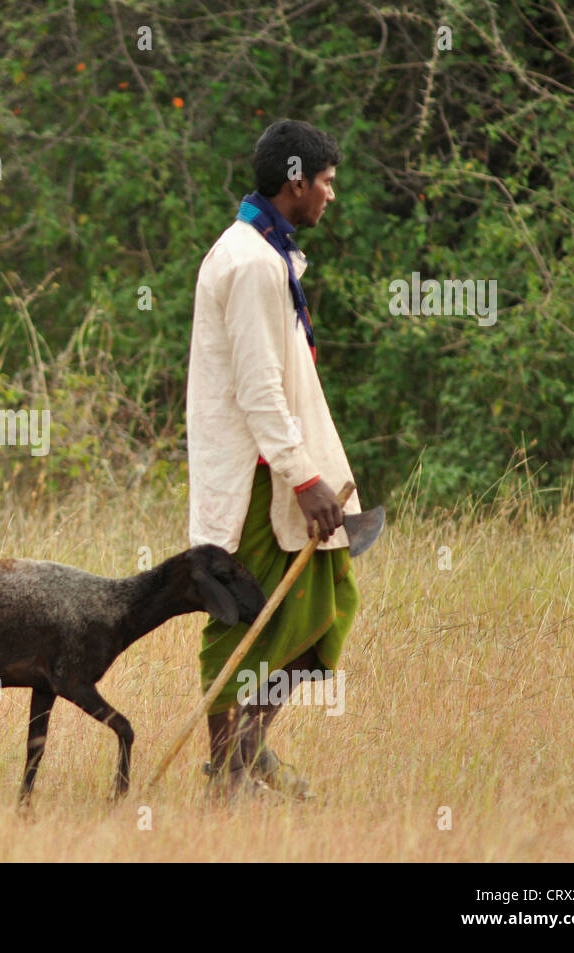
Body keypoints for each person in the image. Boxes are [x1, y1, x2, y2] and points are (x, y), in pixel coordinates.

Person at [186, 119, 360, 801]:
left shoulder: (263, 251)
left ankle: (249, 755)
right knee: (242, 618)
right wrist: (307, 478)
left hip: (278, 470)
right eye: (325, 181)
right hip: (260, 478)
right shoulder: (253, 262)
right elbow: (258, 392)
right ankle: (225, 777)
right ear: (296, 180)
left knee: (327, 602)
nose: (330, 195)